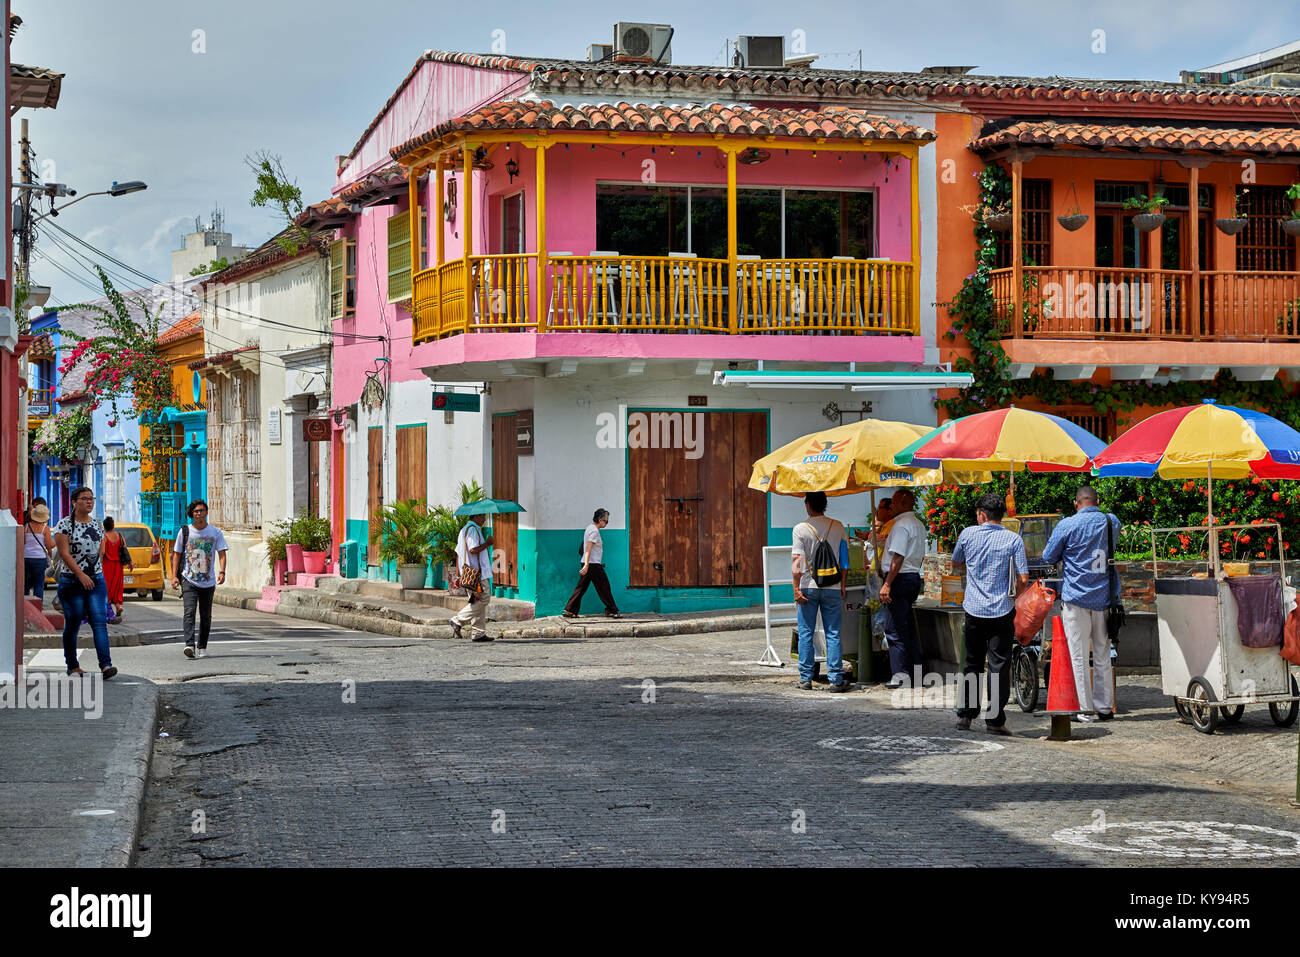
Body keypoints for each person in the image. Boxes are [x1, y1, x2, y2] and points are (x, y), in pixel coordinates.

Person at [1042, 485, 1122, 723]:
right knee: (1103, 653)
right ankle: (1105, 707)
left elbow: (1048, 556)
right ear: (1097, 501)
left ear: (1076, 503)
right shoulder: (1111, 522)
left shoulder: (1067, 525)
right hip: (1104, 598)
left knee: (1077, 655)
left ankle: (1084, 709)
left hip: (1076, 598)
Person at [951, 492, 1028, 735]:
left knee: (972, 663)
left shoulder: (967, 534)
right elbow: (1023, 578)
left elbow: (956, 564)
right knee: (999, 665)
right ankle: (994, 721)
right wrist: (1015, 596)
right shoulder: (1013, 539)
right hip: (1001, 610)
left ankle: (965, 716)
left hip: (973, 609)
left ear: (982, 515)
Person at [52, 486, 116, 679]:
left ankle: (106, 665)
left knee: (99, 622)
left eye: (91, 498)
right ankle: (72, 665)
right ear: (74, 502)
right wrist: (80, 574)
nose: (89, 502)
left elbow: (101, 549)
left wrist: (94, 571)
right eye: (85, 498)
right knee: (73, 623)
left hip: (96, 580)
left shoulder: (97, 524)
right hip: (72, 582)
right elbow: (63, 553)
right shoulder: (63, 525)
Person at [792, 491, 850, 692]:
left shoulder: (800, 529)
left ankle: (806, 678)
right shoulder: (838, 526)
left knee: (806, 631)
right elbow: (844, 560)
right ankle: (835, 678)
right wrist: (842, 584)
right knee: (833, 632)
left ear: (808, 505)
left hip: (808, 586)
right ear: (825, 504)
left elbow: (797, 561)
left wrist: (796, 588)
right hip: (832, 586)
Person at [879, 488, 927, 688]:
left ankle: (900, 675)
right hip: (913, 577)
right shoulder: (917, 524)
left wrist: (887, 583)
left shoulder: (901, 525)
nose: (891, 506)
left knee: (895, 629)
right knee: (907, 627)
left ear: (904, 502)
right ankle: (915, 673)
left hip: (899, 578)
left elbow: (897, 557)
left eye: (894, 502)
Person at [171, 499, 228, 659]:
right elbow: (177, 555)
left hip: (208, 582)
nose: (199, 514)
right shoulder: (185, 532)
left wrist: (222, 571)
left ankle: (202, 646)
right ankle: (189, 645)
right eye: (196, 511)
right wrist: (174, 576)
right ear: (192, 514)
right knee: (189, 612)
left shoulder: (215, 532)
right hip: (189, 579)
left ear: (206, 512)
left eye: (202, 511)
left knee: (205, 615)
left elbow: (222, 552)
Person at [563, 508, 620, 619]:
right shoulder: (594, 531)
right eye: (605, 521)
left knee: (581, 588)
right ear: (599, 519)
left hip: (588, 563)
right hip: (592, 564)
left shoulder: (590, 528)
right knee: (604, 587)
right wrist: (587, 565)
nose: (606, 524)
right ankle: (612, 610)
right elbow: (588, 548)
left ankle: (569, 610)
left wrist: (585, 563)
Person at [449, 511, 493, 642]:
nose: (484, 519)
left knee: (476, 601)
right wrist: (488, 543)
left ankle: (478, 633)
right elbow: (473, 549)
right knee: (484, 599)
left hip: (467, 573)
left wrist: (458, 575)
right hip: (477, 574)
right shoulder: (473, 530)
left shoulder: (464, 530)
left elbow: (458, 554)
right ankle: (457, 620)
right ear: (477, 516)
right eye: (483, 517)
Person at [99, 517, 134, 624]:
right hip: (118, 566)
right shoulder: (119, 536)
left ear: (104, 526)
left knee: (107, 588)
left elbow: (102, 553)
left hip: (107, 566)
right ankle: (118, 606)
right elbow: (125, 550)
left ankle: (109, 610)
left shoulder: (104, 537)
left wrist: (98, 565)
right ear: (113, 525)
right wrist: (130, 563)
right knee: (116, 587)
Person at [23, 502, 55, 606]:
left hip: (26, 557)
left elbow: (22, 543)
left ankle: (25, 606)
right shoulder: (45, 529)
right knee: (38, 584)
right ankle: (38, 607)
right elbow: (49, 545)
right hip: (39, 559)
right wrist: (50, 555)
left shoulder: (26, 526)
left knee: (26, 584)